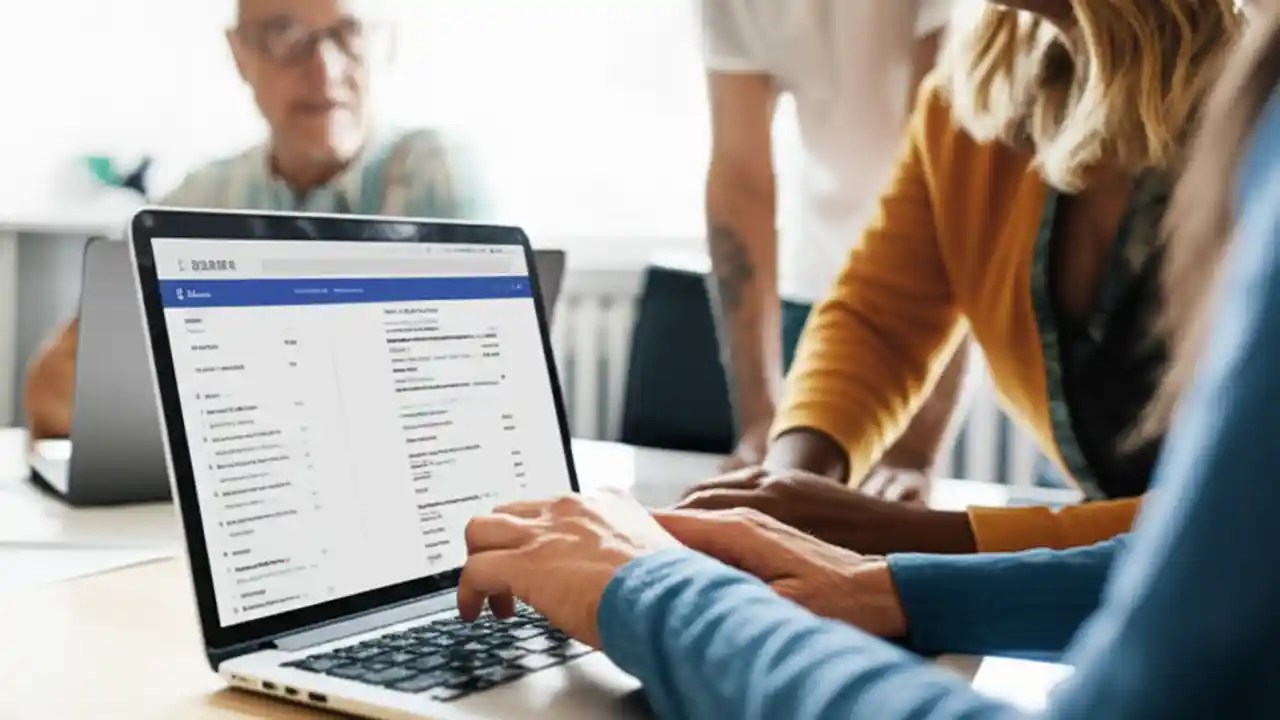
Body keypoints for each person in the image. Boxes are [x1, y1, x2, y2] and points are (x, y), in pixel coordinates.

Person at [455, 3, 1280, 715]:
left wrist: (657, 595)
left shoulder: (1260, 118)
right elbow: (878, 318)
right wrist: (786, 501)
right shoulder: (980, 91)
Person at [678, 0, 1242, 556]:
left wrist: (918, 537)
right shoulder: (974, 102)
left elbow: (1241, 514)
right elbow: (881, 322)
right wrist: (783, 489)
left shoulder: (1256, 112)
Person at [23, 0, 488, 441]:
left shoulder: (436, 174)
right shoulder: (196, 201)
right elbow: (55, 392)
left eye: (349, 33)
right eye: (286, 34)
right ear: (239, 54)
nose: (325, 69)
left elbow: (476, 394)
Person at [701, 0, 969, 502]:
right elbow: (741, 181)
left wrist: (912, 454)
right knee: (793, 492)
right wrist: (761, 423)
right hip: (830, 290)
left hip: (931, 280)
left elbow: (946, 190)